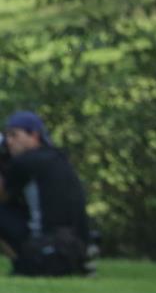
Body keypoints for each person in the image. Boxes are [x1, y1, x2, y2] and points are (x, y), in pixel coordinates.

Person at [0, 111, 91, 276]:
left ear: (34, 136)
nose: (9, 142)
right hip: (76, 247)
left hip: (45, 244)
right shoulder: (57, 158)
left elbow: (3, 194)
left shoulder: (25, 161)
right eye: (7, 136)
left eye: (14, 135)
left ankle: (23, 262)